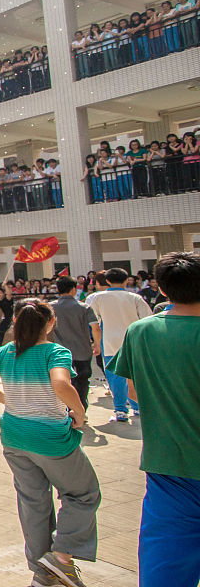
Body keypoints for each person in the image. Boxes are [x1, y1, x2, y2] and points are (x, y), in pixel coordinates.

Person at [0, 300, 99, 587]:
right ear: (51, 323)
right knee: (84, 494)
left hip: (14, 436)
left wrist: (11, 401)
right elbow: (61, 385)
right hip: (50, 439)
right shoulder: (55, 352)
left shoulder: (6, 352)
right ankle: (61, 558)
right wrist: (79, 413)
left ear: (15, 322)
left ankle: (41, 571)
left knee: (33, 503)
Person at [109, 251, 200, 587]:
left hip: (170, 471)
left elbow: (133, 392)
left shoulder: (141, 332)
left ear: (161, 289)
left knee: (165, 576)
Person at [86, 267, 151, 422]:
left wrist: (95, 342)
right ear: (126, 280)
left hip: (108, 341)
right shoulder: (135, 297)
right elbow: (147, 318)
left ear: (107, 281)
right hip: (133, 340)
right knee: (134, 375)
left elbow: (92, 321)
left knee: (115, 377)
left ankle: (120, 410)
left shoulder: (97, 298)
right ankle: (137, 407)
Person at [50, 276, 100, 408]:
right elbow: (95, 328)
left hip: (61, 352)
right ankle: (81, 408)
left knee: (63, 381)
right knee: (82, 380)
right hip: (83, 351)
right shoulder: (84, 307)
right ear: (73, 289)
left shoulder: (51, 307)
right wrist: (97, 344)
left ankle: (67, 408)